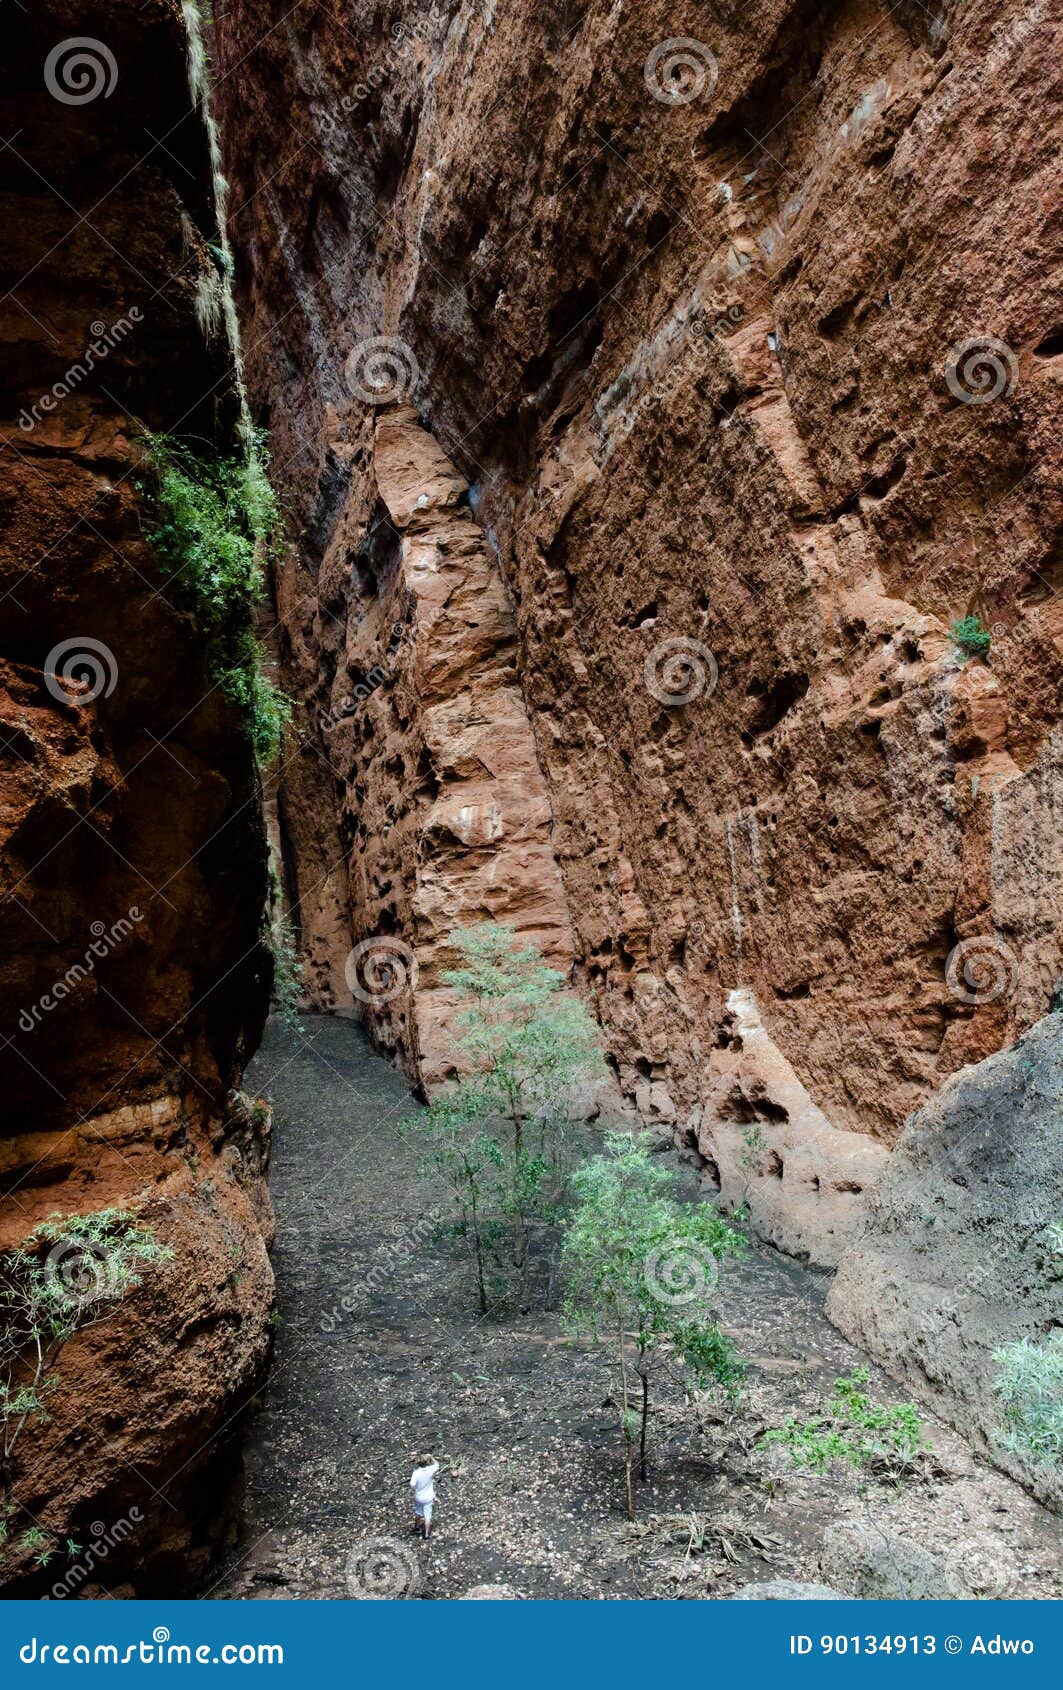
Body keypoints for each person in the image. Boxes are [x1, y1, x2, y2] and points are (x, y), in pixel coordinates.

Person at [410, 1453, 439, 1539]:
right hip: (428, 1497)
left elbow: (412, 1484)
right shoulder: (430, 1470)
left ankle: (416, 1526)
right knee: (427, 1516)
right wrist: (431, 1457)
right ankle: (426, 1534)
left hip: (419, 1497)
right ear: (426, 1462)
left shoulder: (416, 1473)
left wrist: (417, 1487)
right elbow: (437, 1464)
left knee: (418, 1512)